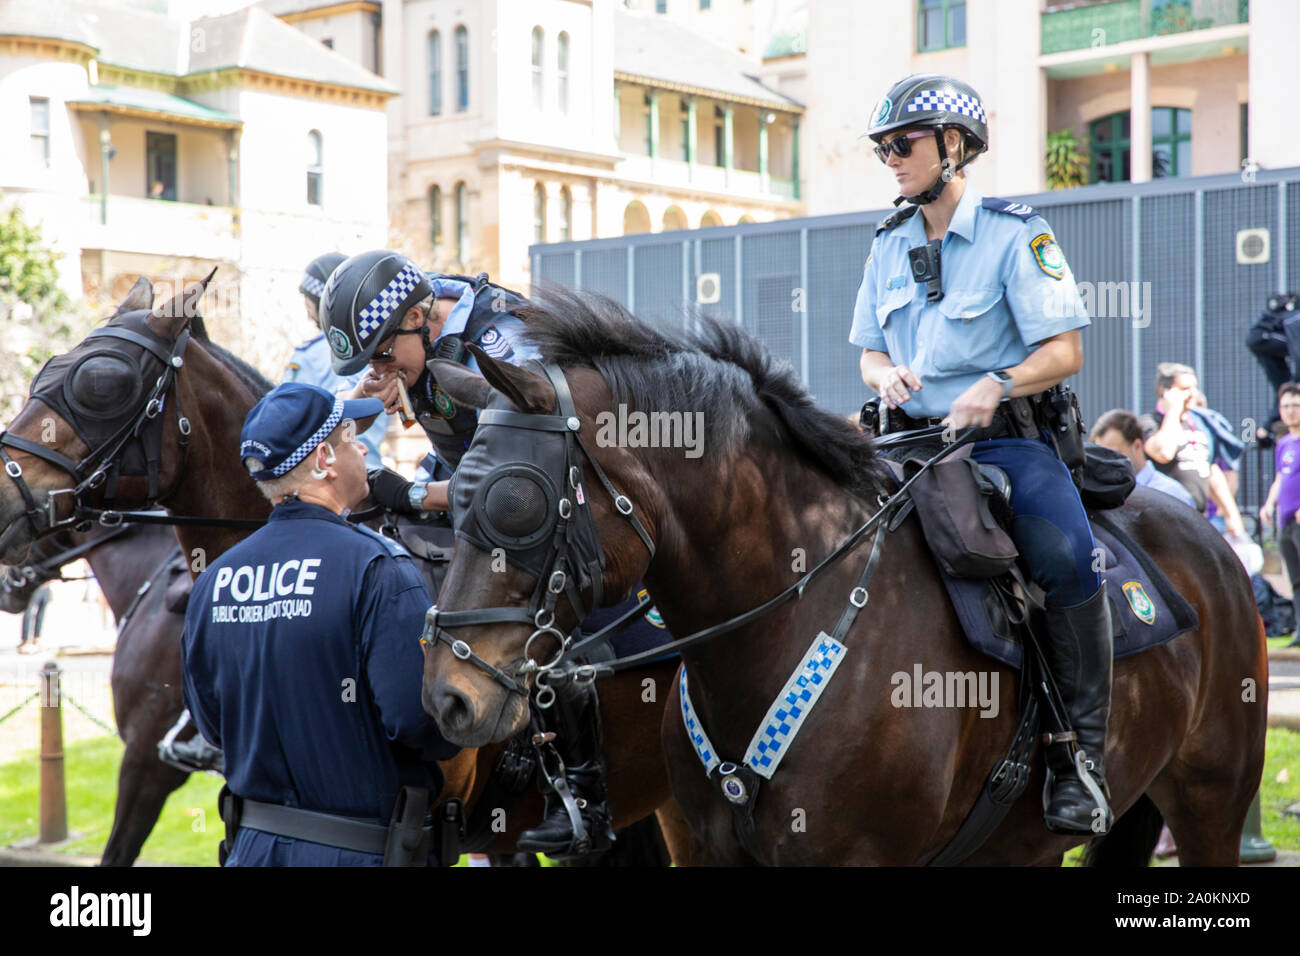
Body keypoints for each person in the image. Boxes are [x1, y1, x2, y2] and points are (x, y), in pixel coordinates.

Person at [850, 73, 1112, 834]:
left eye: (904, 144)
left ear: (954, 146)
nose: (892, 159)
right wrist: (884, 373)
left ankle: (1080, 758)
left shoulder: (1013, 233)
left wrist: (996, 384)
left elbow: (1065, 351)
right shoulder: (887, 243)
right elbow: (869, 352)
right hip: (906, 444)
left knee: (1067, 559)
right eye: (883, 149)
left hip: (1004, 443)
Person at [320, 251, 630, 857]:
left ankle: (586, 797)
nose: (382, 368)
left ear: (420, 317)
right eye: (372, 360)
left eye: (384, 354)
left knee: (555, 622)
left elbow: (522, 476)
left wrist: (409, 490)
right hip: (482, 499)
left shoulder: (504, 340)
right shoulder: (413, 344)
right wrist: (367, 396)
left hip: (559, 497)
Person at [181, 382, 458, 866]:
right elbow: (423, 723)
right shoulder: (378, 569)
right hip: (362, 853)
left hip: (252, 850)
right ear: (325, 458)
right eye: (352, 438)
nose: (363, 449)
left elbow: (214, 726)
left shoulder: (215, 580)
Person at [282, 252, 391, 468]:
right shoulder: (378, 346)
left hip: (327, 479)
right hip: (372, 469)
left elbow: (286, 421)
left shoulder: (309, 356)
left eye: (308, 303)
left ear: (319, 302)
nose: (307, 313)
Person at [1139, 363, 1245, 535]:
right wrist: (1174, 410)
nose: (1192, 394)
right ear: (1163, 391)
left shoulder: (1198, 423)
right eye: (1185, 388)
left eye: (1194, 388)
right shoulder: (1148, 422)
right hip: (1164, 520)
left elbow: (1210, 470)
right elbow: (1164, 453)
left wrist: (1231, 513)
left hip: (1199, 519)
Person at [1090, 409, 1197, 509]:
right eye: (1102, 457)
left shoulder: (1172, 494)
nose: (1108, 463)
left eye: (1114, 454)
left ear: (1137, 446)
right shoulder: (1102, 497)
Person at [1261, 383, 1300, 648]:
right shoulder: (1283, 443)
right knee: (1295, 579)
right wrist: (1268, 503)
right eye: (1285, 406)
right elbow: (1280, 477)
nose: (1290, 411)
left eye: (1295, 406)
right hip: (1286, 521)